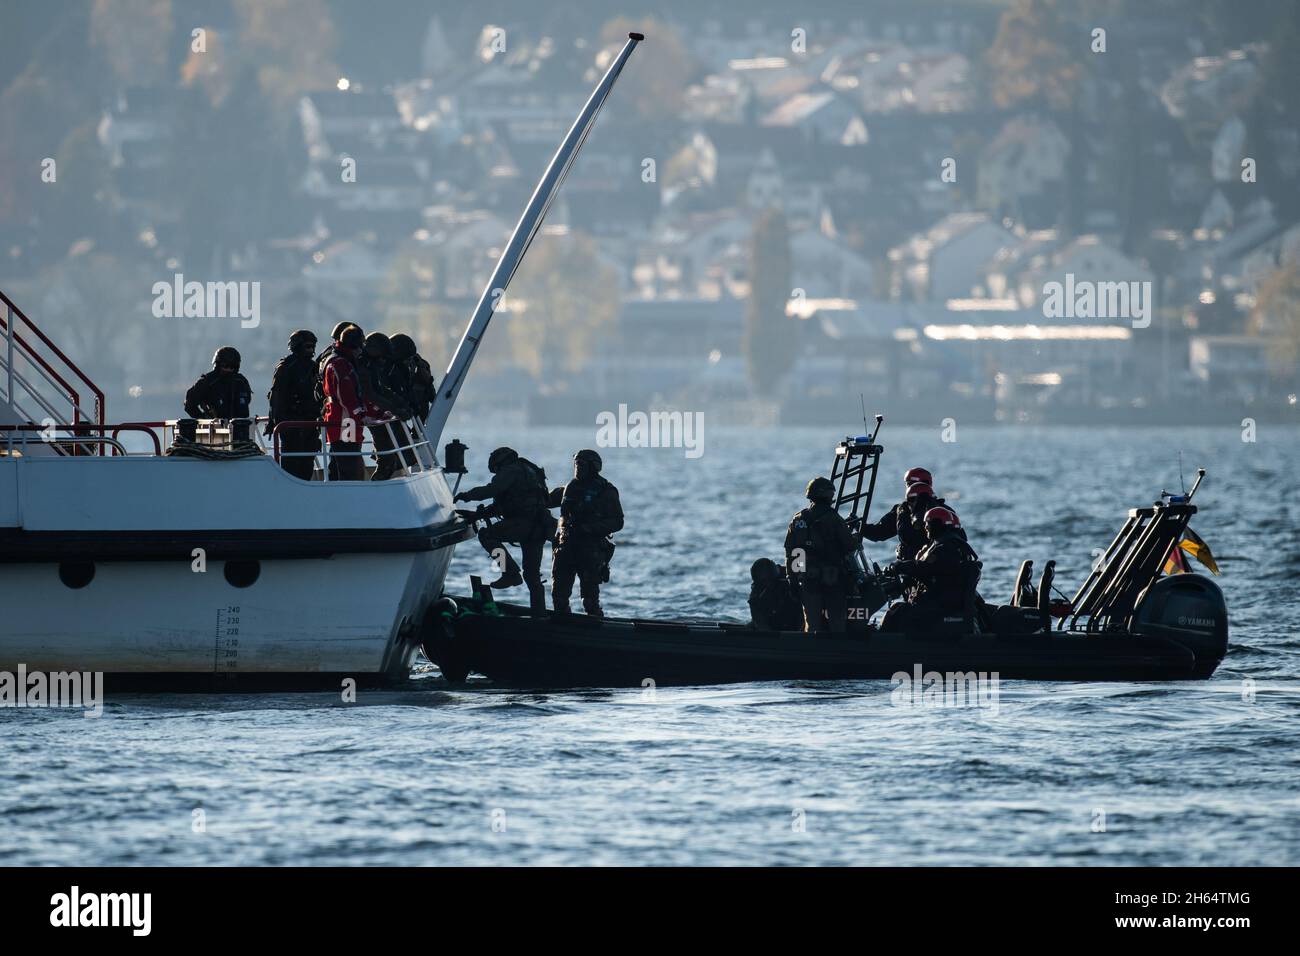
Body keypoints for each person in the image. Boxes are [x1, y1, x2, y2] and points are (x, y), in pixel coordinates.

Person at [454, 447, 556, 613]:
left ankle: (510, 572)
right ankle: (539, 614)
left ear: (500, 463)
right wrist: (480, 514)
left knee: (487, 535)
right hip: (539, 527)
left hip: (524, 524)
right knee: (532, 575)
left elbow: (492, 490)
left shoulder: (511, 470)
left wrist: (467, 495)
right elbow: (510, 503)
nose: (496, 473)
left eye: (496, 470)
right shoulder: (528, 471)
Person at [880, 506, 981, 634]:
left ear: (937, 524)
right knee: (899, 608)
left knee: (898, 612)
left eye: (928, 523)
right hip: (941, 602)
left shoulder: (947, 549)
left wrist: (900, 566)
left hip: (942, 607)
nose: (925, 527)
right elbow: (932, 573)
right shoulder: (949, 545)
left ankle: (883, 643)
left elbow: (927, 569)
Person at [548, 449, 623, 617]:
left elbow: (618, 521)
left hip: (589, 549)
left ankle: (596, 630)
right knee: (559, 598)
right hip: (565, 547)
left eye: (581, 464)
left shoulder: (606, 491)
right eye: (576, 463)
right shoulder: (569, 488)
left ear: (593, 467)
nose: (577, 467)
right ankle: (563, 628)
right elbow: (544, 500)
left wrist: (590, 528)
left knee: (589, 600)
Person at [784, 476, 857, 633]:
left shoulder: (798, 520)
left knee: (812, 624)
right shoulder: (834, 519)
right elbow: (850, 546)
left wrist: (792, 580)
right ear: (829, 496)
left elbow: (791, 552)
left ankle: (810, 651)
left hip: (807, 580)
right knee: (837, 624)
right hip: (833, 580)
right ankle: (839, 652)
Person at [860, 471, 956, 561]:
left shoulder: (904, 511)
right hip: (914, 566)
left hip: (927, 566)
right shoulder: (904, 510)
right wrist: (859, 526)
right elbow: (879, 533)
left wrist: (858, 525)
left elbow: (878, 533)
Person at [266, 330, 320, 480]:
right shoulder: (285, 368)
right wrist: (278, 423)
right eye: (307, 346)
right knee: (291, 468)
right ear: (297, 346)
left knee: (307, 466)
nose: (311, 349)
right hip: (291, 425)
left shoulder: (314, 367)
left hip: (310, 424)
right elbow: (276, 398)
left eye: (312, 346)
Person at [358, 332, 412, 481]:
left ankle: (377, 486)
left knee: (388, 458)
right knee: (347, 458)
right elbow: (370, 394)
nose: (382, 360)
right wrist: (396, 410)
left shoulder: (370, 365)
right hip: (352, 418)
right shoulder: (362, 366)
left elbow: (380, 389)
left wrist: (400, 403)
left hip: (369, 416)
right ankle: (373, 489)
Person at [321, 326, 367, 481]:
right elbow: (346, 396)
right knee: (349, 463)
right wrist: (361, 414)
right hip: (345, 422)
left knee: (338, 461)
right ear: (354, 346)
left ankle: (335, 491)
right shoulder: (339, 364)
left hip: (343, 421)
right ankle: (350, 494)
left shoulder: (344, 361)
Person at [184, 346, 252, 421]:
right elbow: (189, 404)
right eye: (225, 366)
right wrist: (204, 418)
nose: (228, 369)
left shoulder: (241, 381)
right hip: (214, 430)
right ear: (218, 364)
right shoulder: (207, 382)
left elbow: (247, 400)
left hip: (241, 428)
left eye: (233, 366)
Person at [389, 333, 436, 423]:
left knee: (422, 397)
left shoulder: (420, 364)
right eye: (406, 360)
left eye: (410, 359)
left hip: (413, 402)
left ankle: (418, 430)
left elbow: (432, 395)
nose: (409, 363)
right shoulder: (388, 367)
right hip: (394, 404)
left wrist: (426, 378)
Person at [748, 557, 804, 631]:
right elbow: (759, 621)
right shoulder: (756, 594)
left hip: (796, 619)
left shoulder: (790, 577)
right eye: (764, 581)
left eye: (769, 580)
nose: (768, 584)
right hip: (773, 624)